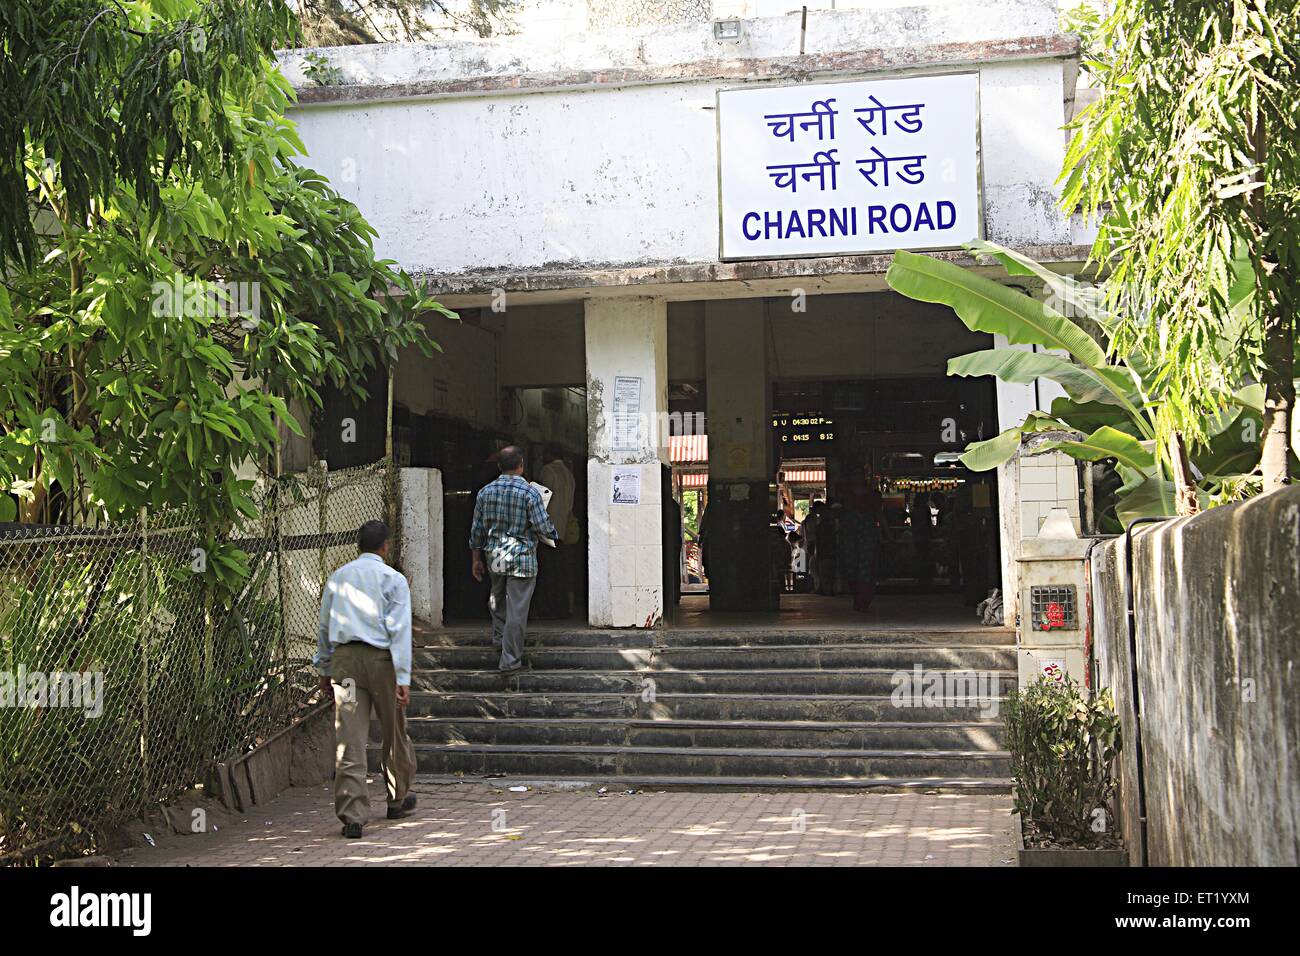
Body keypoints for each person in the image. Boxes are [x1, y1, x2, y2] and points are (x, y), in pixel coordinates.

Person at [315, 520, 416, 839]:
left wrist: (324, 668)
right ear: (385, 546)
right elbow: (399, 629)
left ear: (357, 546)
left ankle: (353, 816)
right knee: (393, 730)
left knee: (350, 737)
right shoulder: (393, 579)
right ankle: (396, 798)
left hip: (346, 662)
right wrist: (403, 676)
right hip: (382, 661)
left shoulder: (338, 577)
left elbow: (324, 627)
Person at [469, 445, 558, 671]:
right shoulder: (530, 493)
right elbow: (542, 526)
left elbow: (477, 530)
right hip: (522, 559)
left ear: (499, 466)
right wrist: (554, 534)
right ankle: (509, 660)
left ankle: (501, 642)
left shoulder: (485, 492)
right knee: (516, 610)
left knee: (497, 602)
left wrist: (475, 559)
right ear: (521, 465)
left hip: (495, 557)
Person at [537, 446, 575, 618]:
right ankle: (563, 608)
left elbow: (541, 500)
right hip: (562, 528)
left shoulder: (548, 470)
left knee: (548, 571)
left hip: (547, 528)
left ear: (550, 454)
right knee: (560, 570)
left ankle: (549, 609)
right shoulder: (568, 473)